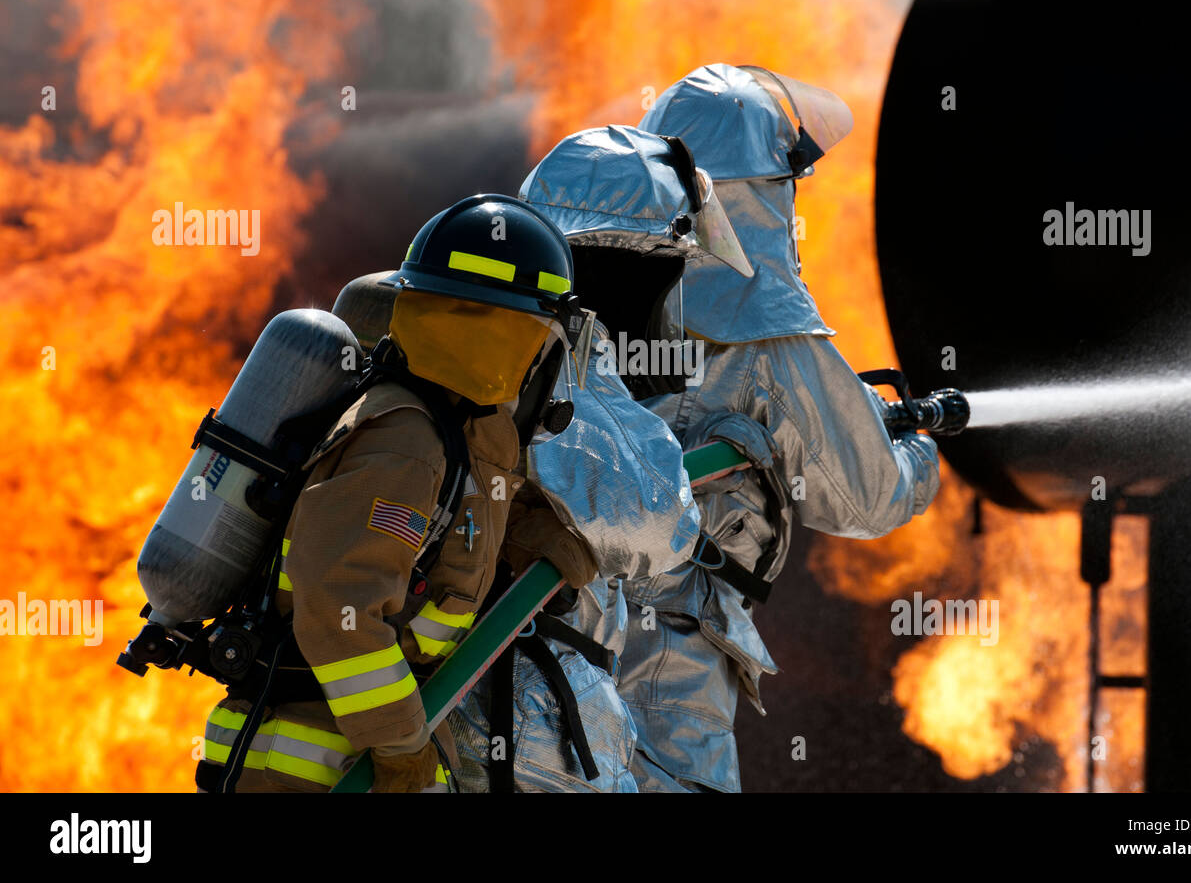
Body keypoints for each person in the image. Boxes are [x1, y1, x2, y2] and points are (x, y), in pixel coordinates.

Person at [197, 194, 598, 792]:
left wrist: (528, 538)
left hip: (352, 746)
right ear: (503, 328)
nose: (542, 353)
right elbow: (339, 602)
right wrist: (401, 746)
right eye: (540, 330)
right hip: (303, 760)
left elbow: (447, 530)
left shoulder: (462, 425)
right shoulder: (404, 438)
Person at [615, 64, 942, 792]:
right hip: (667, 656)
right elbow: (867, 496)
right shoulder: (771, 333)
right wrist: (919, 454)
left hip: (556, 641)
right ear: (762, 194)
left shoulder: (594, 279)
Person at [446, 124, 753, 791]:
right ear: (636, 269)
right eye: (671, 270)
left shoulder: (457, 329)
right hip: (526, 709)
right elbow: (657, 526)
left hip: (452, 694)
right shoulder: (563, 359)